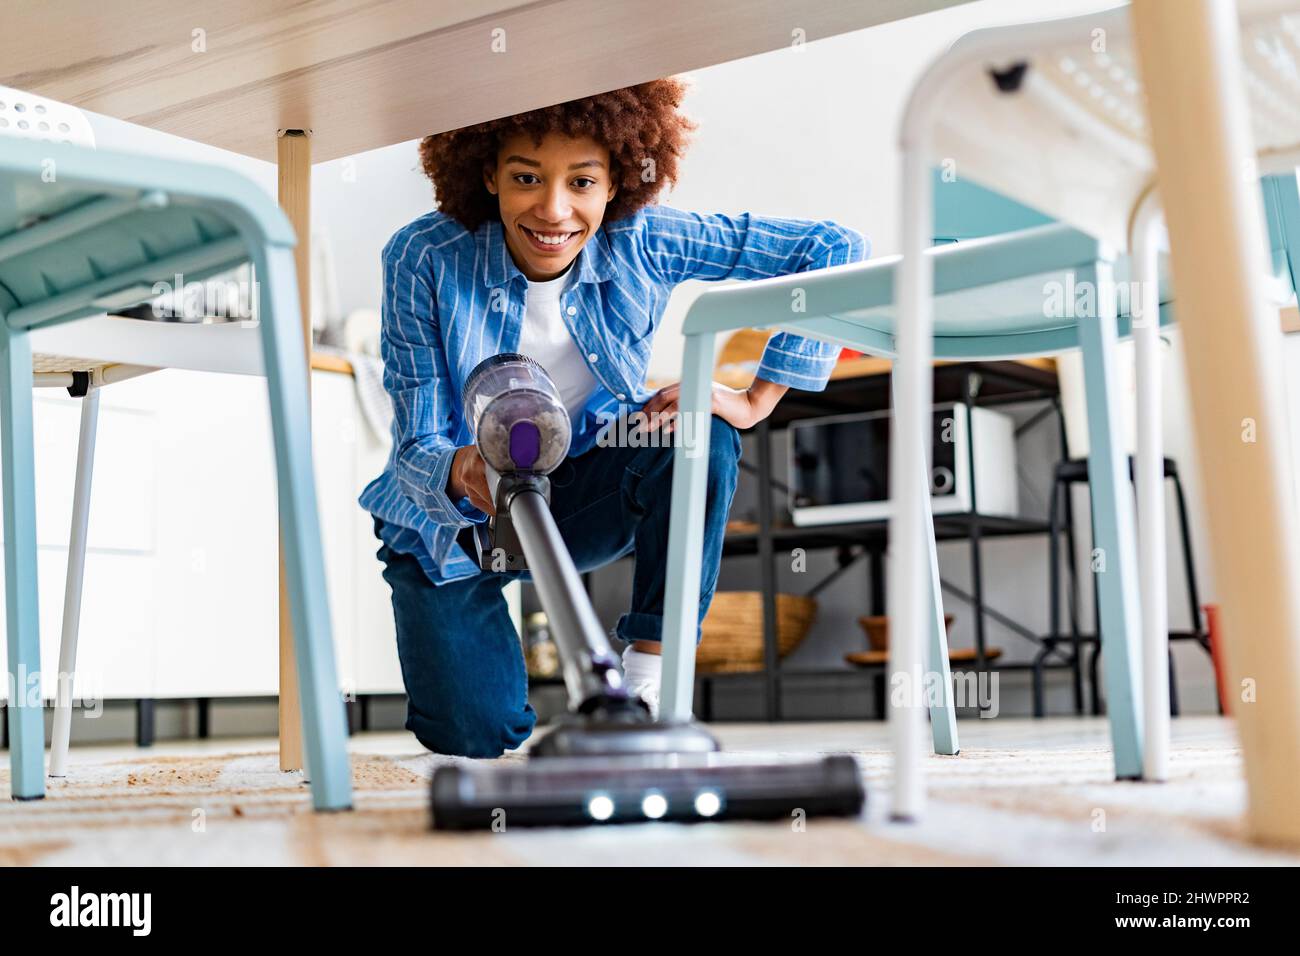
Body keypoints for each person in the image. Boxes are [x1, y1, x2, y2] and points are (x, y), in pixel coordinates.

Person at [360, 77, 868, 757]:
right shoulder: (422, 257)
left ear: (615, 182)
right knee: (474, 736)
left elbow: (834, 250)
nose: (553, 209)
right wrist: (461, 466)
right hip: (455, 526)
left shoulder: (643, 241)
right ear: (487, 174)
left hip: (580, 494)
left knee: (698, 436)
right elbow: (416, 445)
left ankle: (649, 687)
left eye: (582, 183)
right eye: (526, 177)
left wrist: (754, 399)